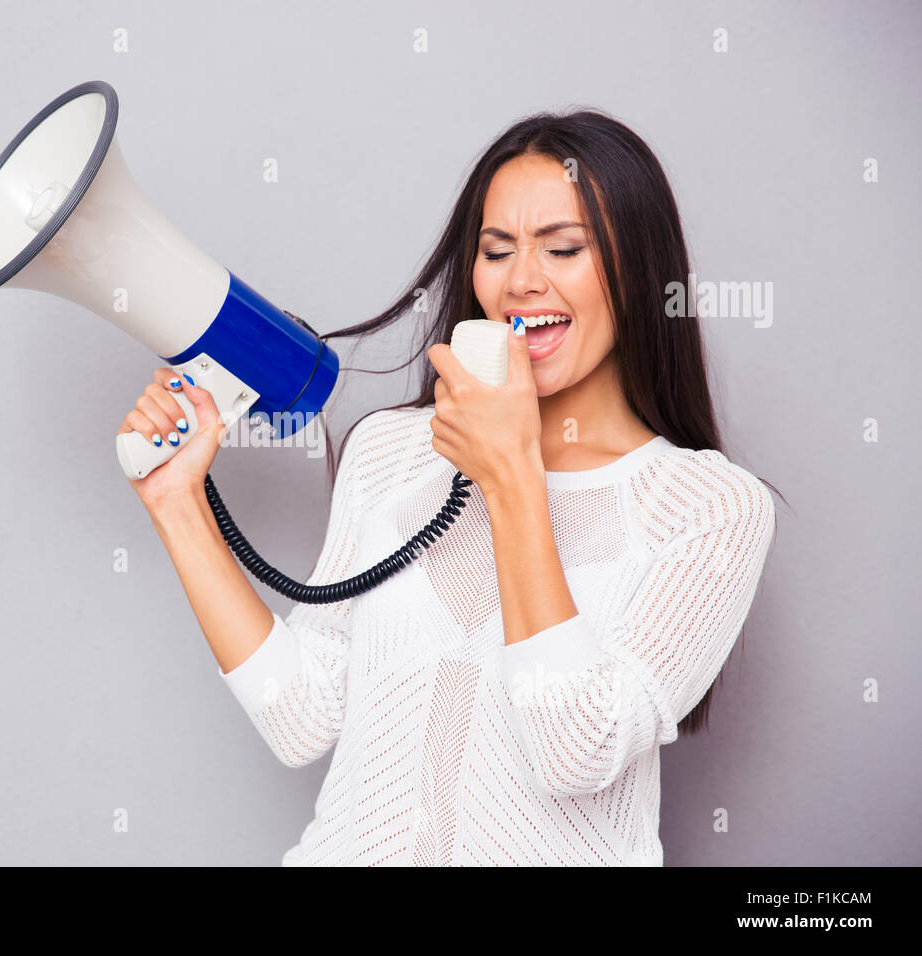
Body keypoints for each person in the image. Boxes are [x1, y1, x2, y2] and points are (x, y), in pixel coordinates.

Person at [117, 109, 780, 866]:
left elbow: (575, 753)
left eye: (564, 248)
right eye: (497, 251)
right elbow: (300, 717)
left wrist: (511, 478)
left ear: (641, 270)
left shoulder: (710, 507)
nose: (522, 281)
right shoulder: (393, 452)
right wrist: (179, 505)